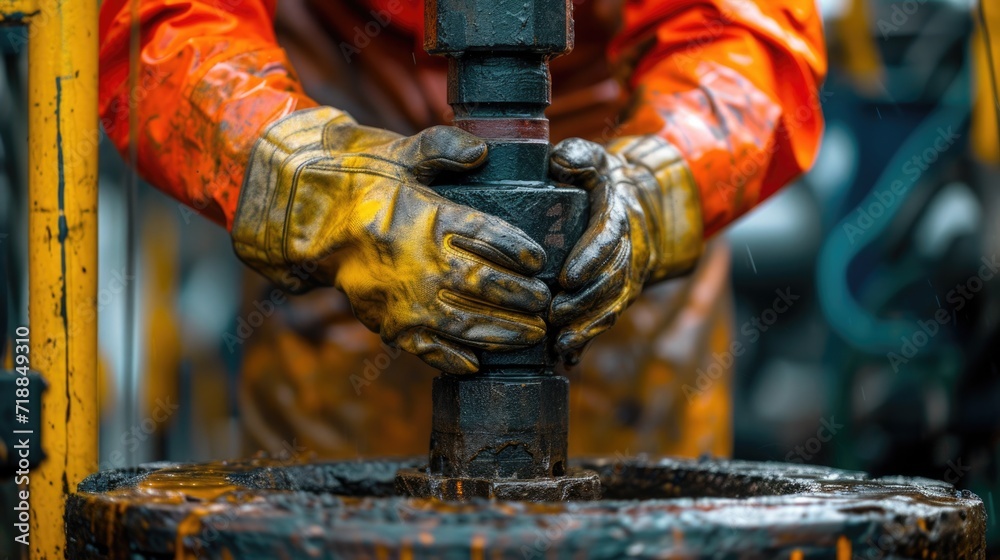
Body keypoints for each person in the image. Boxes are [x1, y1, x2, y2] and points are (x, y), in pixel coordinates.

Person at [98, 0, 826, 459]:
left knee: (635, 502)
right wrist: (320, 193)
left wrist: (655, 191)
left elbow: (744, 33)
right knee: (334, 505)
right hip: (330, 75)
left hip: (604, 121)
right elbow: (160, 26)